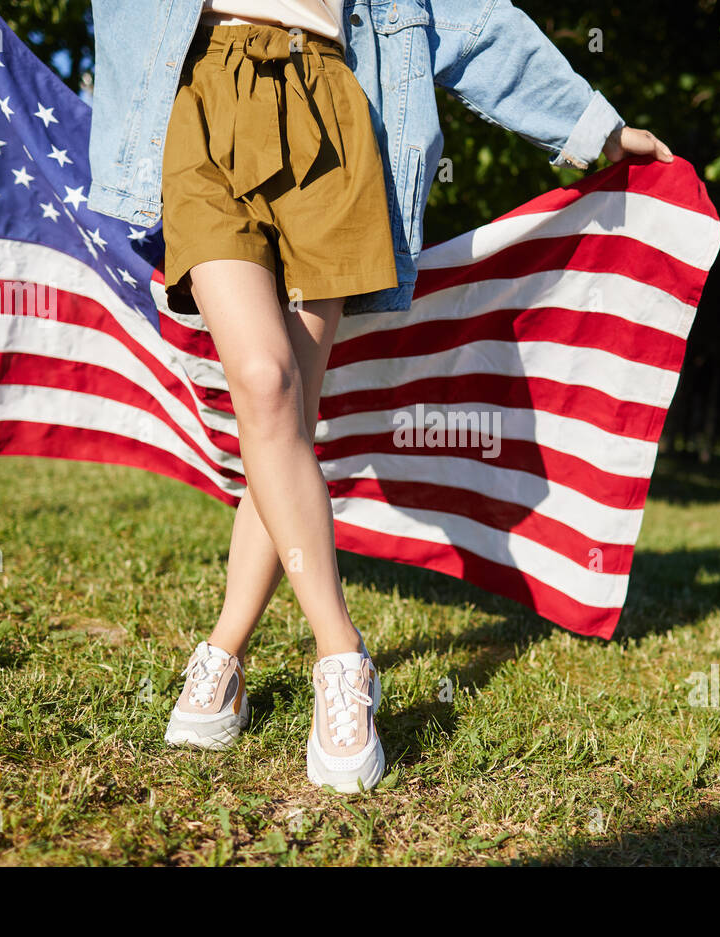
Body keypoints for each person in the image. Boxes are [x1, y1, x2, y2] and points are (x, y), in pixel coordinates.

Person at [87, 0, 672, 793]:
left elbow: (476, 24)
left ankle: (224, 655)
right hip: (202, 96)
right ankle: (342, 653)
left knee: (283, 413)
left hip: (334, 107)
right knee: (262, 380)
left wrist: (596, 131)